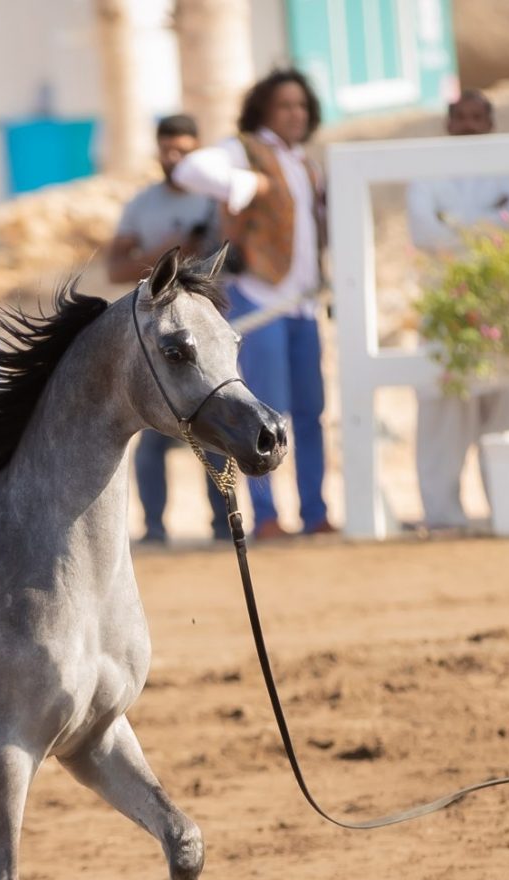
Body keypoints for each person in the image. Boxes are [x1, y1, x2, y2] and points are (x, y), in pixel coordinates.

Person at [172, 67, 333, 539]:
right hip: (260, 298)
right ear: (264, 108)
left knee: (311, 412)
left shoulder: (305, 161)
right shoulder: (245, 149)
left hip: (301, 302)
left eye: (301, 105)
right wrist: (246, 185)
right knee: (266, 411)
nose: (295, 114)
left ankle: (316, 511)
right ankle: (266, 516)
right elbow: (190, 169)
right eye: (285, 105)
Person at [405, 90, 509, 534]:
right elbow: (423, 233)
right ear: (449, 123)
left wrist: (454, 225)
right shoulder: (426, 170)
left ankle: (507, 511)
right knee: (442, 414)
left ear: (491, 123)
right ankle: (443, 517)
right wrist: (487, 227)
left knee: (503, 416)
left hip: (502, 308)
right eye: (463, 117)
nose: (471, 125)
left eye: (480, 117)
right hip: (443, 307)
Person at [106, 114, 230, 544]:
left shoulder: (217, 201)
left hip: (209, 330)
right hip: (159, 336)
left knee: (219, 426)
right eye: (167, 149)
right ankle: (155, 529)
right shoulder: (141, 205)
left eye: (184, 149)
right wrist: (163, 257)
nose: (174, 157)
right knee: (154, 434)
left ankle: (224, 526)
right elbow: (115, 267)